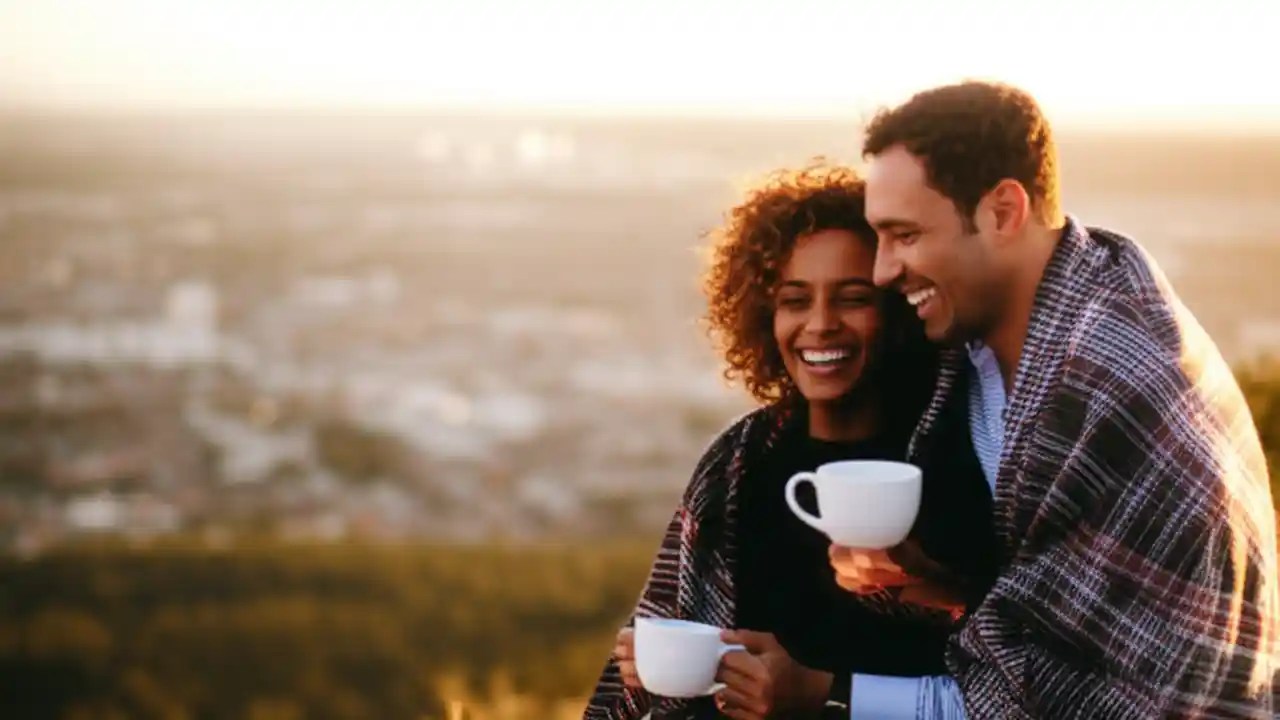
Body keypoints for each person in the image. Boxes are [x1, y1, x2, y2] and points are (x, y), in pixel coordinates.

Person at [828, 80, 1279, 718]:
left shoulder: (1118, 388)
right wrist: (942, 585)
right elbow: (1050, 605)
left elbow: (1097, 689)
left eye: (904, 235)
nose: (881, 271)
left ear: (1004, 212)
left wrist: (830, 696)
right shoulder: (980, 349)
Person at [583, 163, 996, 719]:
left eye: (853, 298)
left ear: (898, 310)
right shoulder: (738, 465)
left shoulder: (959, 463)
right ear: (763, 316)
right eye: (795, 300)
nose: (820, 324)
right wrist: (657, 670)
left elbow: (1010, 681)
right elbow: (681, 634)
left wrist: (819, 693)